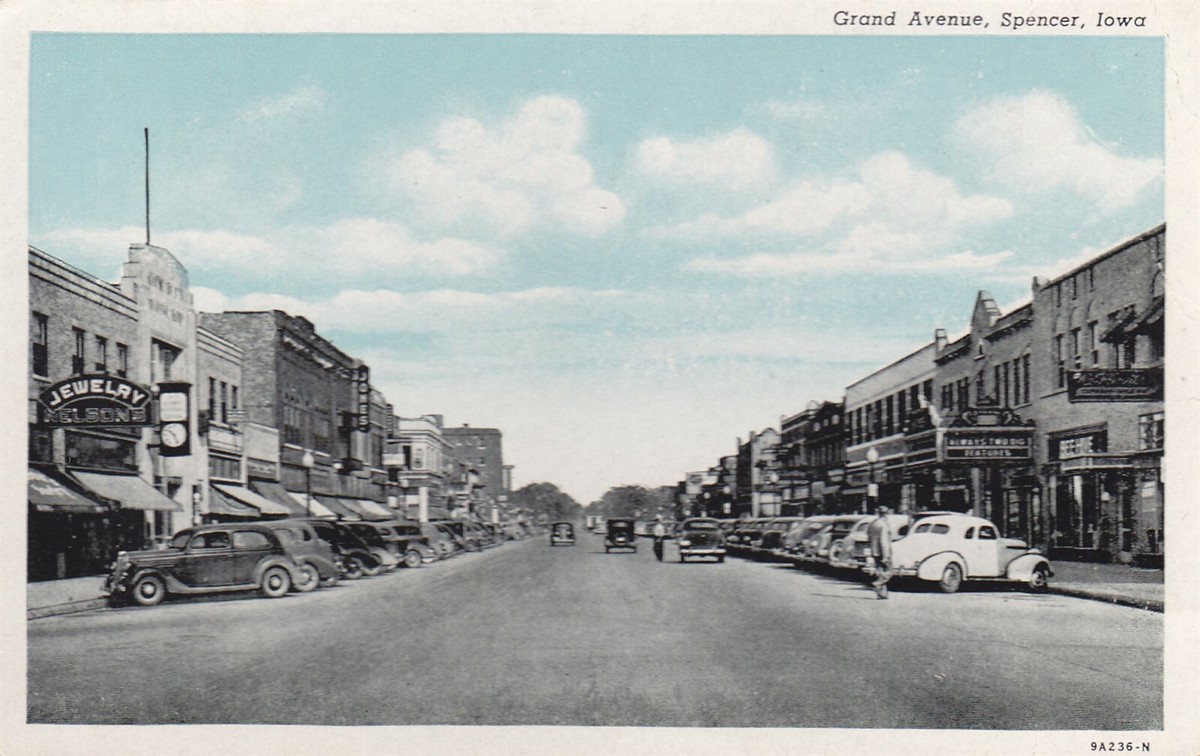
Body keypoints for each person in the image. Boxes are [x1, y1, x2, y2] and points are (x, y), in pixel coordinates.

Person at [866, 504, 893, 599]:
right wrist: (886, 555)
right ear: (886, 514)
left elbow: (868, 537)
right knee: (888, 571)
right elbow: (884, 541)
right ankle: (878, 583)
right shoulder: (883, 525)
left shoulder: (874, 523)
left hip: (874, 551)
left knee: (880, 571)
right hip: (882, 551)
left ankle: (882, 594)